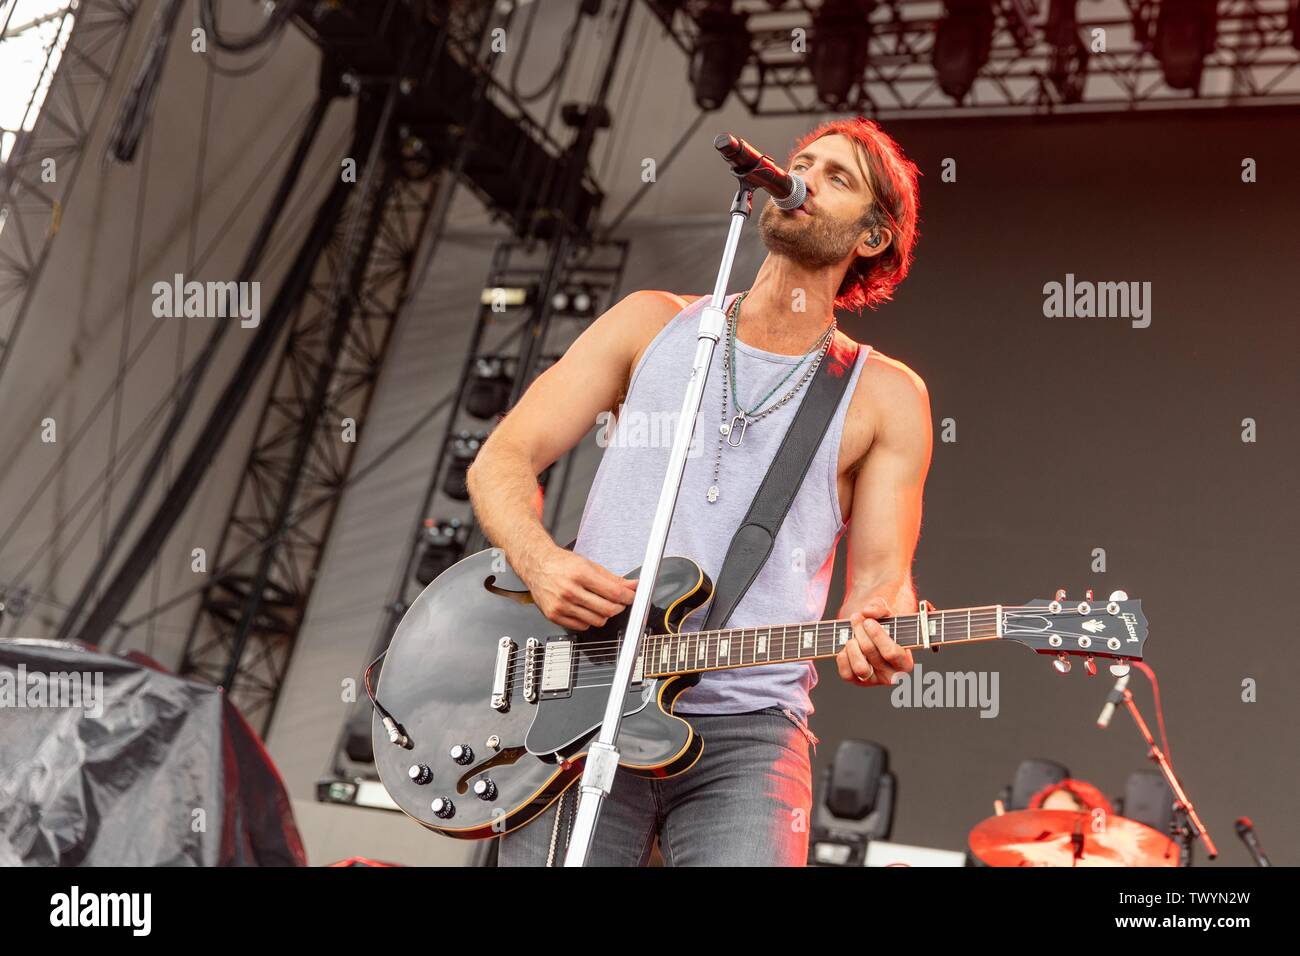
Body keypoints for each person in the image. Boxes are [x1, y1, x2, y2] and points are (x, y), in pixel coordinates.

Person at [466, 117, 930, 866]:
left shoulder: (887, 396)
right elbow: (503, 457)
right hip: (586, 695)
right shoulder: (653, 324)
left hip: (750, 730)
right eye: (801, 161)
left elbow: (881, 584)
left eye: (836, 177)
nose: (802, 177)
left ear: (872, 237)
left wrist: (883, 624)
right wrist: (541, 561)